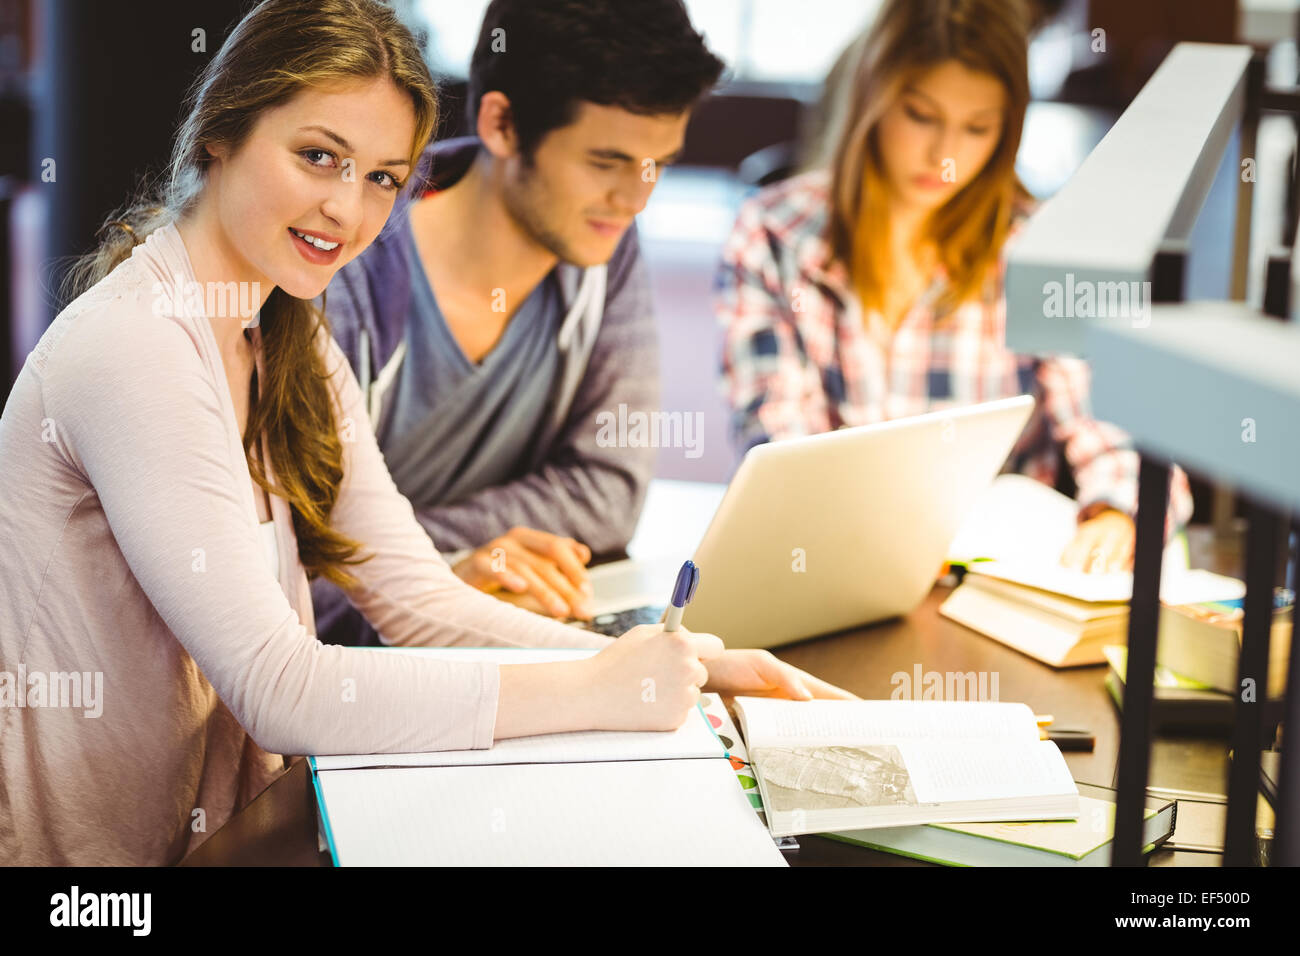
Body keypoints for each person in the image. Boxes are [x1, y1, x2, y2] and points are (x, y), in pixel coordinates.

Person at [0, 0, 851, 867]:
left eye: (381, 178)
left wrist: (683, 658)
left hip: (228, 832)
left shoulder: (286, 332)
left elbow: (417, 600)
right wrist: (592, 686)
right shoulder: (137, 344)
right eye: (318, 156)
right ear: (220, 134)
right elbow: (280, 688)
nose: (346, 208)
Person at [714, 0, 1193, 573]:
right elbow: (782, 450)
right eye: (920, 115)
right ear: (873, 96)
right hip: (834, 570)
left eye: (976, 128)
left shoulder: (1042, 249)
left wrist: (1117, 514)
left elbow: (1119, 432)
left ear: (1009, 129)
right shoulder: (774, 234)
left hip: (991, 587)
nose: (944, 155)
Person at [311, 0, 725, 644]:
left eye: (659, 165)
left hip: (501, 625)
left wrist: (415, 563)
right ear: (501, 124)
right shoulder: (344, 267)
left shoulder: (600, 242)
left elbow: (607, 494)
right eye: (606, 161)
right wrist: (434, 575)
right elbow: (296, 567)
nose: (637, 198)